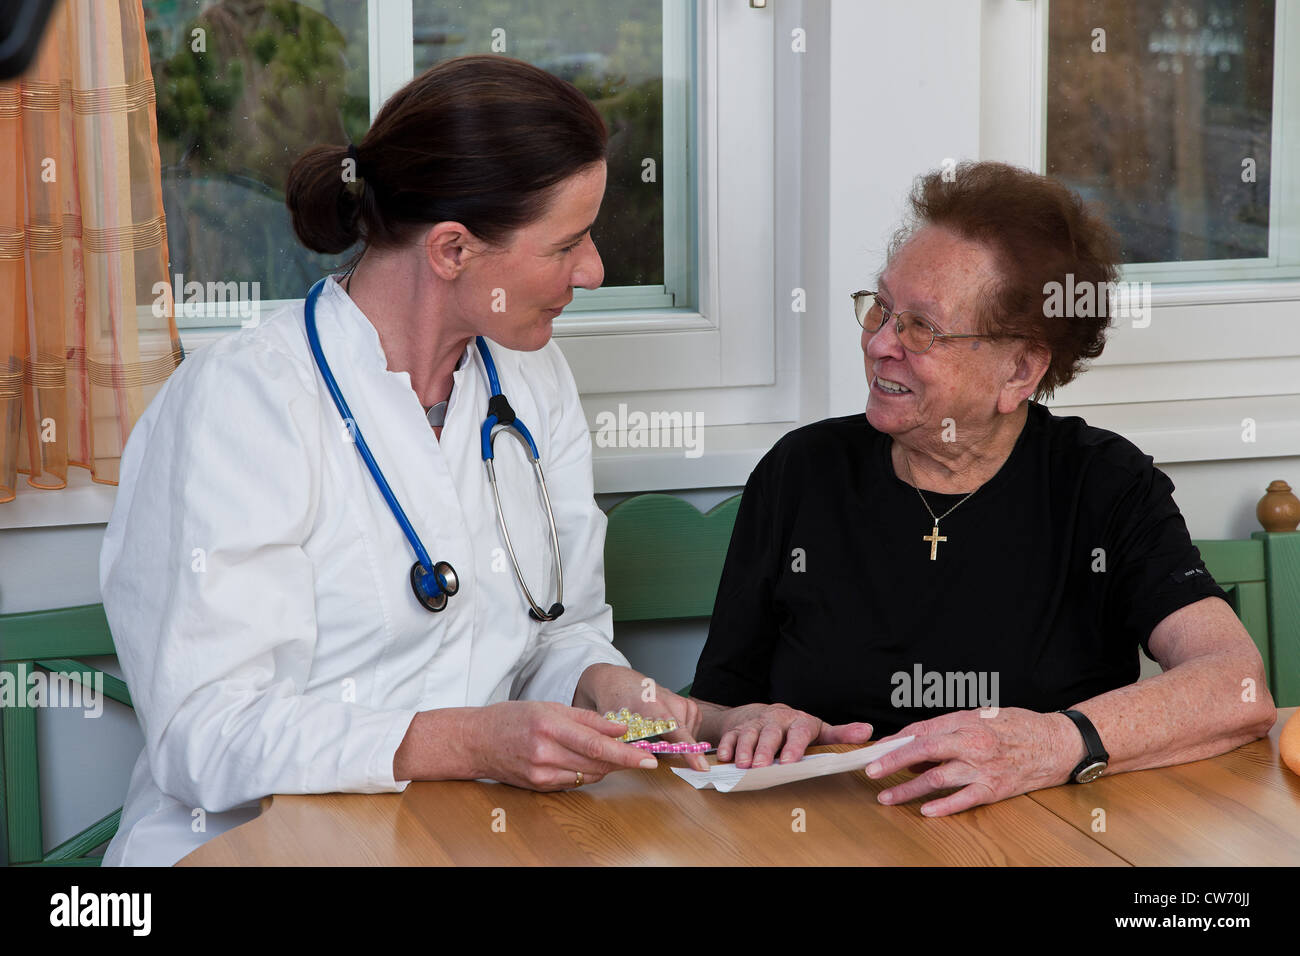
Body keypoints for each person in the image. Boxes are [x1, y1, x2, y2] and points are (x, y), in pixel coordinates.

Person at [100, 54, 702, 867]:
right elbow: (205, 733)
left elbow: (555, 636)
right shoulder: (242, 401)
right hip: (257, 844)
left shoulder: (531, 381)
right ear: (452, 250)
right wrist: (464, 742)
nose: (594, 271)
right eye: (567, 244)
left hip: (472, 838)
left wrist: (606, 687)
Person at [689, 161, 1276, 817]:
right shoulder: (803, 471)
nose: (880, 342)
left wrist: (1058, 742)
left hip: (1047, 838)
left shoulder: (1104, 484)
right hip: (832, 834)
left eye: (922, 328)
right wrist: (742, 722)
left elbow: (1237, 685)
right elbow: (716, 701)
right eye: (882, 308)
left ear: (1019, 370)